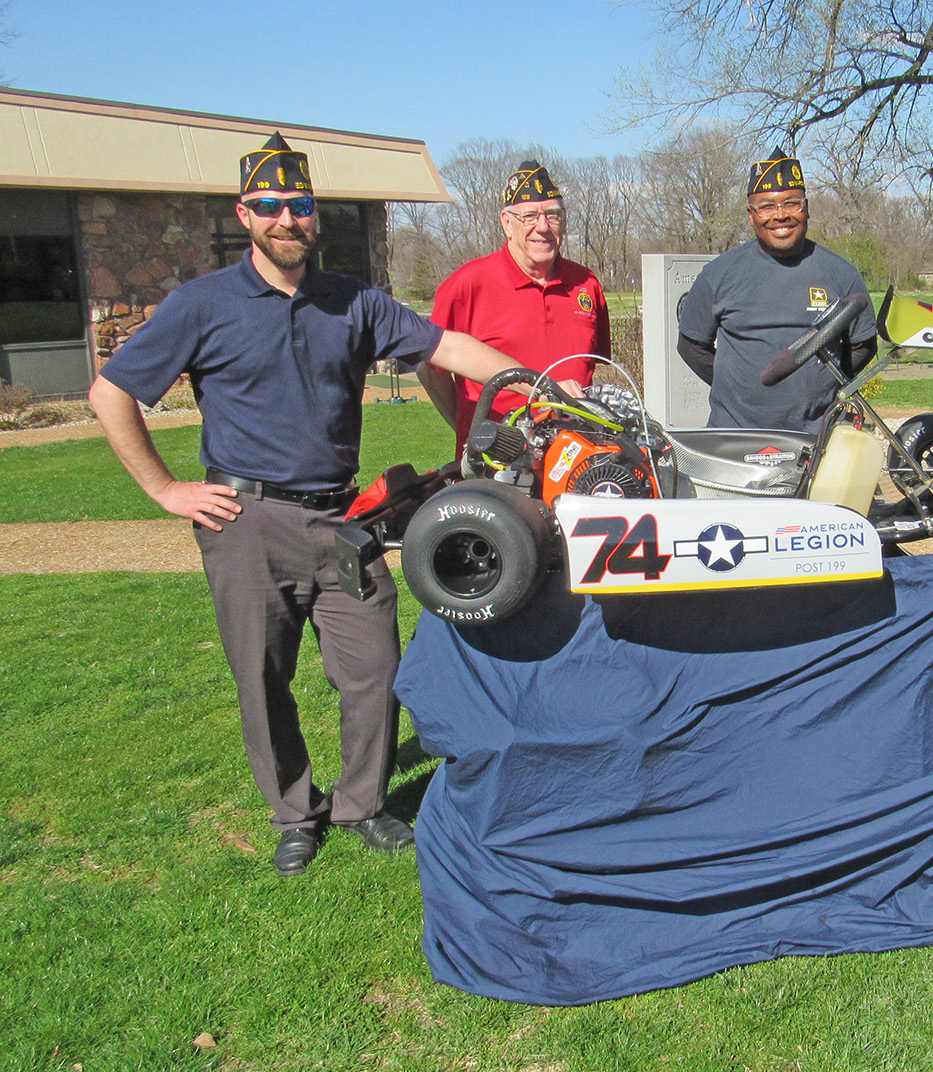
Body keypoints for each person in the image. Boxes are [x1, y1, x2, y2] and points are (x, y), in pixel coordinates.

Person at [88, 134, 522, 878]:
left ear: (313, 213)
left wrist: (535, 380)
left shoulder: (351, 299)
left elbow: (446, 346)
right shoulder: (203, 304)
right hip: (245, 523)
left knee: (375, 668)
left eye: (299, 205)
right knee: (263, 679)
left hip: (343, 519)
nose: (287, 219)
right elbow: (110, 392)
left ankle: (362, 804)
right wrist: (165, 489)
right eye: (270, 206)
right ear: (245, 214)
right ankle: (295, 812)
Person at [677, 148, 878, 433]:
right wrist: (739, 391)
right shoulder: (717, 275)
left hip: (818, 440)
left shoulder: (841, 274)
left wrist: (824, 387)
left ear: (806, 208)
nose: (780, 215)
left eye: (791, 203)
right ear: (750, 215)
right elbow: (690, 346)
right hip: (735, 436)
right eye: (767, 206)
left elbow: (863, 345)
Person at [419, 160, 611, 451]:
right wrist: (469, 428)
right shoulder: (467, 285)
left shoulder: (586, 284)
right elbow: (430, 370)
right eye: (529, 216)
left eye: (553, 215)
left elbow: (596, 367)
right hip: (499, 462)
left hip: (577, 459)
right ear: (506, 223)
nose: (543, 227)